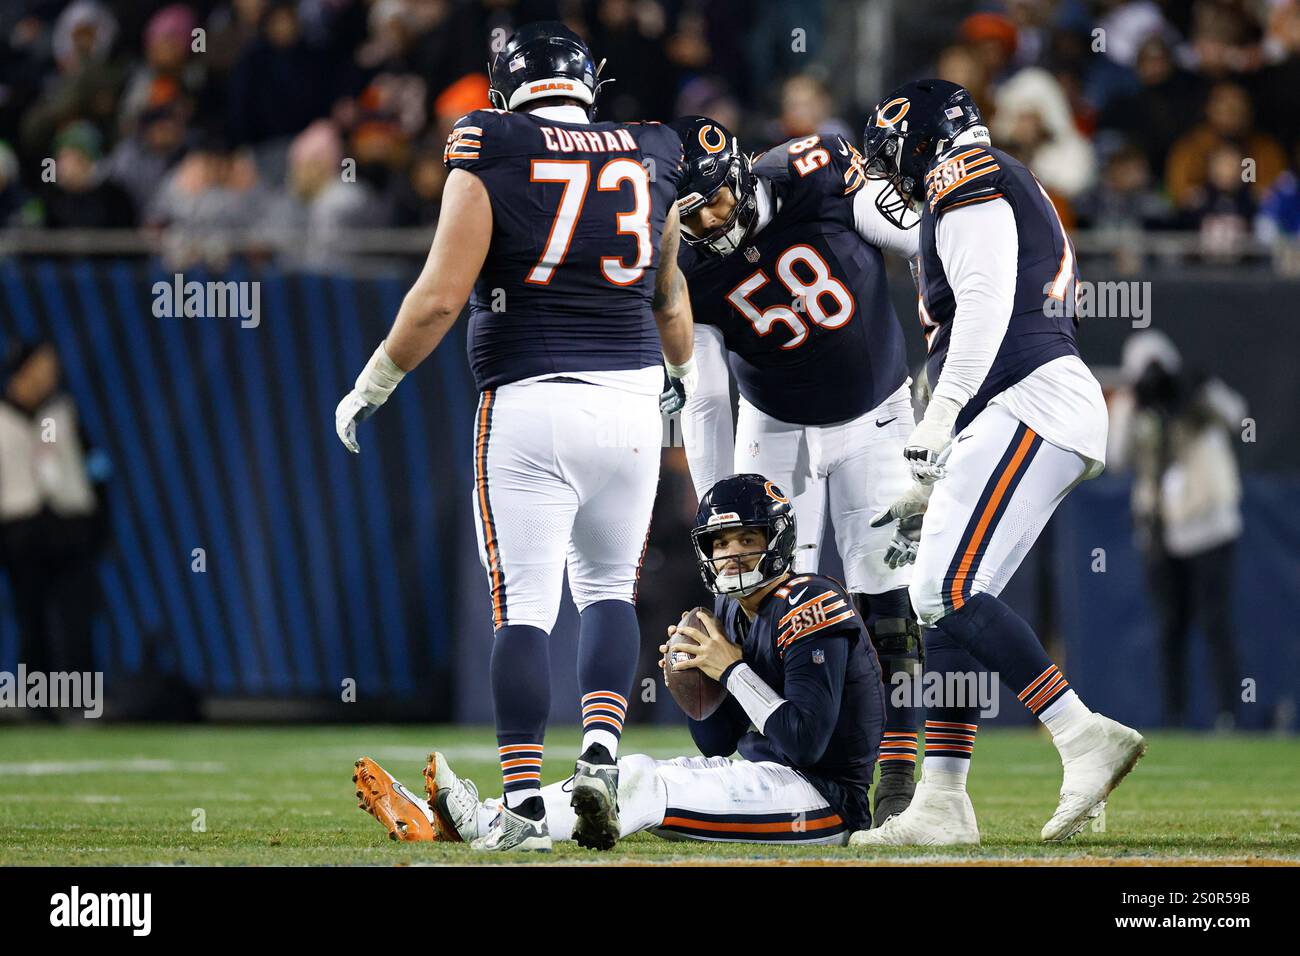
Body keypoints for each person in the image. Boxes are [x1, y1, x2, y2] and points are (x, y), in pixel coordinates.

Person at [334, 22, 695, 852]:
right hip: (633, 398)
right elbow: (670, 299)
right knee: (610, 587)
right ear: (588, 83)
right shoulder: (650, 146)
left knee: (523, 607)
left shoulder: (491, 141)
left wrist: (374, 382)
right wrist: (682, 385)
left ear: (505, 89)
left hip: (532, 397)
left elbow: (437, 297)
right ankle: (600, 756)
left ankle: (527, 801)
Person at [856, 79, 1145, 846]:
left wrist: (941, 418)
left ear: (923, 143)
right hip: (1025, 402)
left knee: (942, 588)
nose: (895, 180)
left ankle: (1082, 735)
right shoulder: (993, 181)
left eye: (896, 160)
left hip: (1028, 396)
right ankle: (943, 800)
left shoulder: (965, 175)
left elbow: (983, 305)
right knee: (946, 598)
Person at [352, 474, 886, 848]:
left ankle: (486, 824)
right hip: (763, 773)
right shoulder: (729, 609)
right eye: (720, 543)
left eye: (748, 539)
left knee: (643, 786)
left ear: (778, 539)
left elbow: (805, 741)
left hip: (823, 801)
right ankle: (483, 815)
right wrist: (698, 682)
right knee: (622, 773)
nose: (733, 555)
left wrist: (730, 669)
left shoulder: (813, 601)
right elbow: (720, 742)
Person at [667, 114, 924, 824]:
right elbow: (706, 393)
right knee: (753, 590)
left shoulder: (817, 169)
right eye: (692, 212)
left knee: (887, 596)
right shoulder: (681, 265)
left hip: (878, 413)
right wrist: (714, 508)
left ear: (744, 170)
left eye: (717, 198)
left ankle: (898, 763)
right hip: (774, 425)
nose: (713, 218)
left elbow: (914, 234)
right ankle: (758, 751)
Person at [1107, 331, 1246, 729]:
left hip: (1209, 523)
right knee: (1170, 626)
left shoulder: (1196, 395)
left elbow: (1236, 415)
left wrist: (1198, 392)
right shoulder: (1137, 406)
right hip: (1161, 527)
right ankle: (1175, 714)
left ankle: (1227, 714)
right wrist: (1132, 404)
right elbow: (1116, 458)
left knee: (1215, 621)